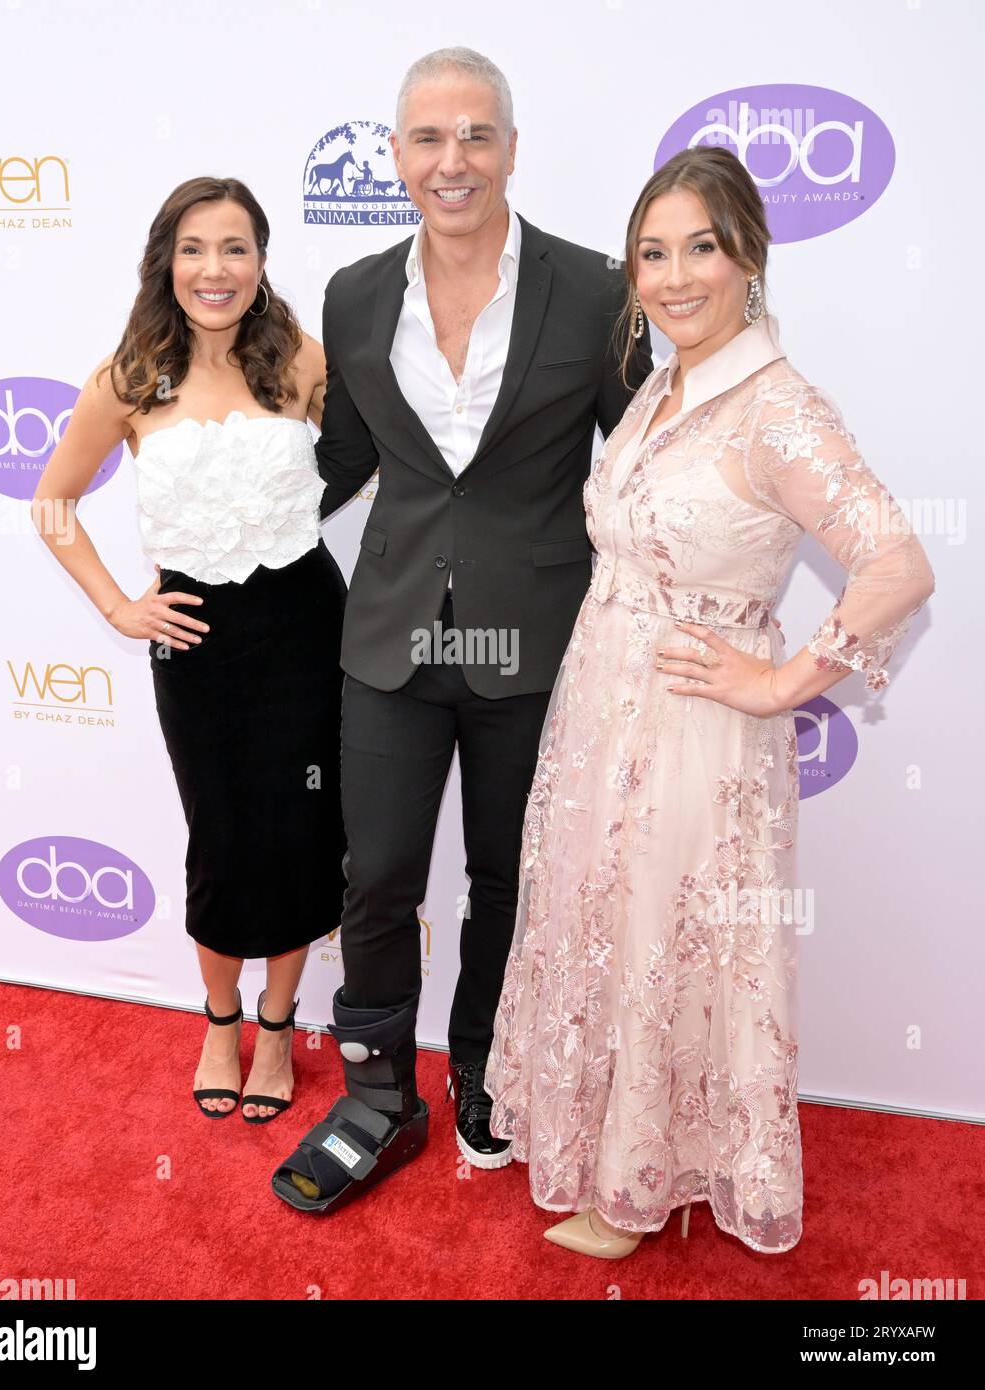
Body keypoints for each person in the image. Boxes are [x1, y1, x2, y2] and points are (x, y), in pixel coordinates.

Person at [484, 145, 937, 1258]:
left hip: (694, 731)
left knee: (661, 937)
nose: (673, 275)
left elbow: (895, 565)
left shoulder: (774, 407)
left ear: (748, 260)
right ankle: (628, 1155)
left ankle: (635, 1188)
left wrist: (781, 680)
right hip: (603, 706)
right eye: (651, 251)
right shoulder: (663, 384)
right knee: (609, 929)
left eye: (701, 247)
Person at [271, 47, 652, 1213]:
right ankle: (378, 1092)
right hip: (391, 637)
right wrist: (221, 493)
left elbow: (638, 465)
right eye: (428, 139)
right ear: (394, 157)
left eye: (475, 135)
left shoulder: (594, 291)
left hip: (531, 644)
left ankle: (485, 1067)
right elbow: (339, 465)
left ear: (511, 150)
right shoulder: (349, 291)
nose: (453, 161)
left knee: (506, 879)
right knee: (376, 876)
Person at [31, 176, 348, 1124]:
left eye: (236, 248)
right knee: (220, 835)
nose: (216, 269)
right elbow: (53, 503)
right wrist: (119, 606)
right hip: (195, 639)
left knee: (300, 836)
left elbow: (387, 464)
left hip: (303, 627)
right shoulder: (128, 377)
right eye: (195, 248)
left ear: (260, 260)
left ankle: (282, 1026)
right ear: (166, 260)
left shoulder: (300, 361)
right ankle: (220, 1019)